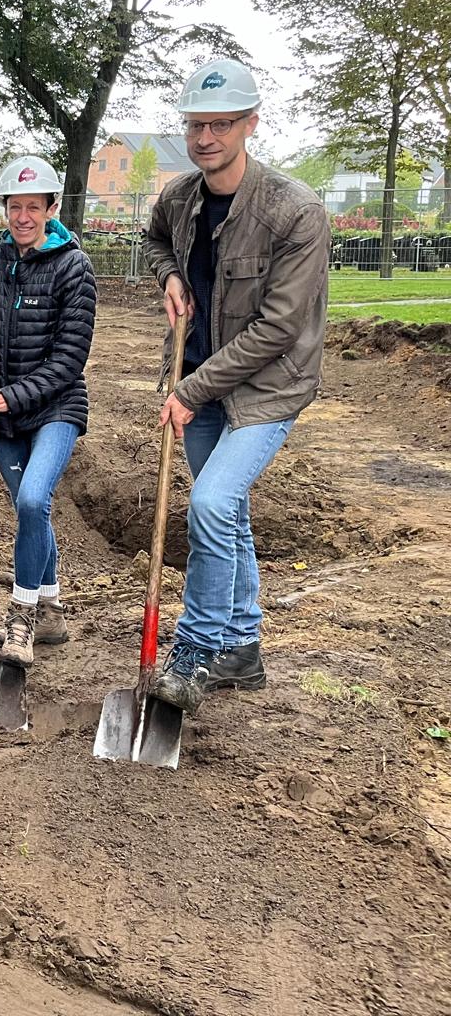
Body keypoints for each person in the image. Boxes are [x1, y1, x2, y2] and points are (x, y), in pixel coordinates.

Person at [143, 58, 329, 713]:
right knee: (226, 514)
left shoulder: (294, 211)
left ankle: (194, 652)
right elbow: (156, 240)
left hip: (267, 389)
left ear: (251, 124)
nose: (206, 137)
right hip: (199, 379)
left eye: (222, 123)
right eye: (196, 124)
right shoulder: (179, 198)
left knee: (212, 506)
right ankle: (243, 649)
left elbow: (280, 328)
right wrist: (168, 274)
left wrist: (190, 392)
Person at [0, 155, 97, 666]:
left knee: (32, 500)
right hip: (6, 417)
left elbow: (69, 360)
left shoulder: (73, 266)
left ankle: (20, 622)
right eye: (14, 207)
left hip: (56, 407)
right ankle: (51, 603)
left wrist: (8, 397)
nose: (22, 217)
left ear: (51, 208)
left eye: (32, 207)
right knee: (32, 509)